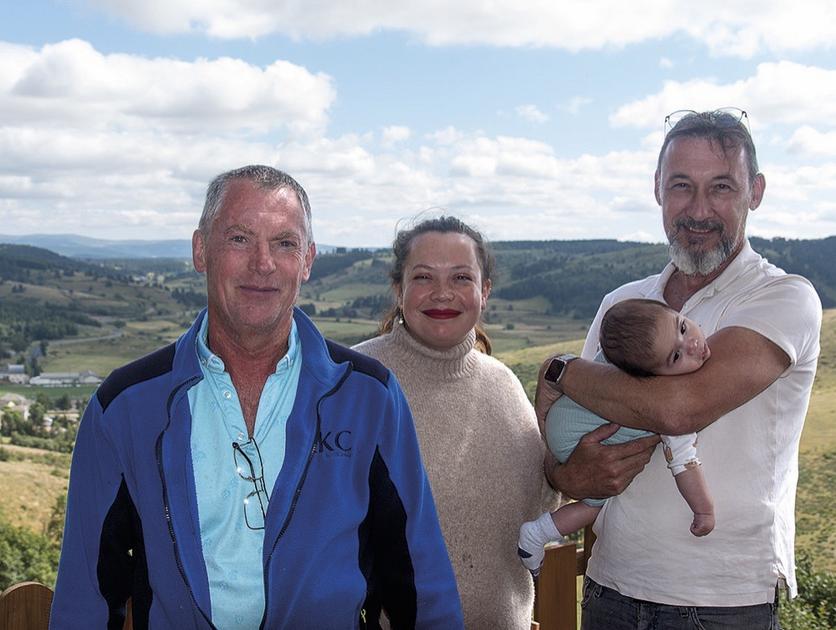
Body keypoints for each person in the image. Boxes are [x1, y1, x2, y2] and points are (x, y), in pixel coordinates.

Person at [50, 165, 463, 629]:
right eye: (239, 238)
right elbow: (85, 597)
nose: (262, 263)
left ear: (307, 260)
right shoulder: (124, 407)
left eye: (284, 243)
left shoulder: (368, 397)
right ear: (200, 250)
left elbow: (421, 582)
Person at [537, 109, 821, 629]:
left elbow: (679, 407)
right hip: (610, 590)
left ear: (755, 191)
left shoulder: (783, 298)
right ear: (658, 190)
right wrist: (565, 471)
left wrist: (558, 369)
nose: (698, 209)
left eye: (722, 187)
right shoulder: (622, 302)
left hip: (724, 605)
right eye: (682, 186)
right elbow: (572, 432)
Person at [353, 216, 559, 629]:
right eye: (424, 276)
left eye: (461, 277)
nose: (442, 293)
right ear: (399, 289)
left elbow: (541, 508)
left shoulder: (504, 385)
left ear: (484, 291)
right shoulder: (357, 382)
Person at [518, 298, 715, 576]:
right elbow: (684, 465)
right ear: (649, 376)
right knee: (595, 504)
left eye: (683, 327)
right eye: (675, 357)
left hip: (565, 414)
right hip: (575, 437)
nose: (692, 344)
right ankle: (536, 534)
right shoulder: (662, 401)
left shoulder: (628, 353)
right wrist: (703, 511)